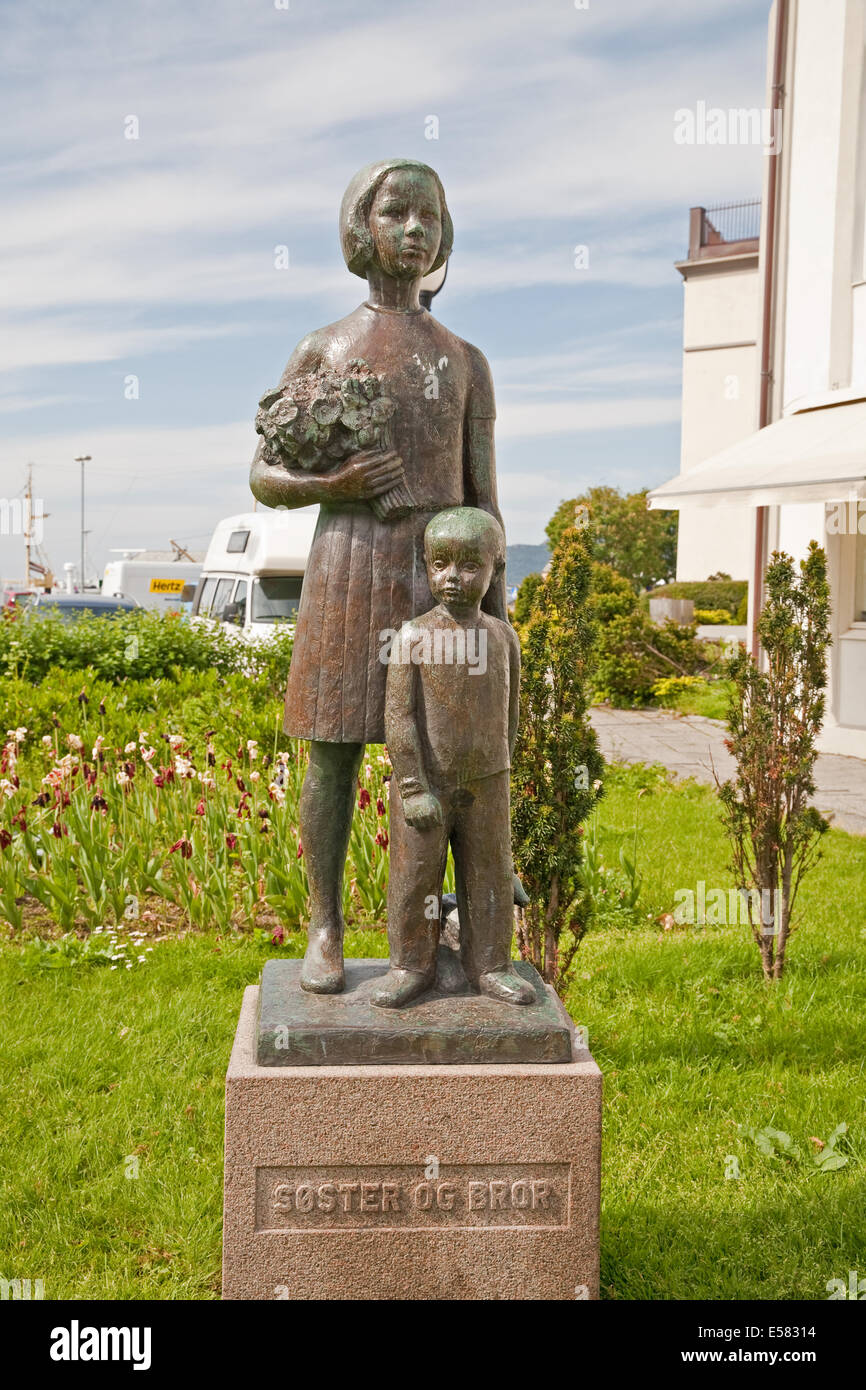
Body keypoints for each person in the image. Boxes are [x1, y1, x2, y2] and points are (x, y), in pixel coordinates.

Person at [249, 159, 507, 995]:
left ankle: (437, 933)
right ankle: (324, 924)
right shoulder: (323, 347)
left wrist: (496, 622)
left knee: (449, 756)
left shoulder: (464, 360)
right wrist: (333, 486)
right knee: (331, 750)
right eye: (395, 213)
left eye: (428, 215)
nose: (414, 229)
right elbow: (262, 474)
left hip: (443, 582)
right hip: (347, 566)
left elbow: (483, 498)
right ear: (361, 229)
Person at [372, 507, 534, 1009]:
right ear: (425, 565)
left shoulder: (503, 638)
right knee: (416, 875)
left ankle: (490, 964)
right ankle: (410, 965)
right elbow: (398, 719)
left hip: (488, 781)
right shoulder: (413, 637)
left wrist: (502, 769)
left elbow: (511, 712)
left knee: (488, 872)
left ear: (495, 568)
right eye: (439, 564)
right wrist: (413, 787)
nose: (452, 579)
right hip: (428, 785)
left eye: (469, 566)